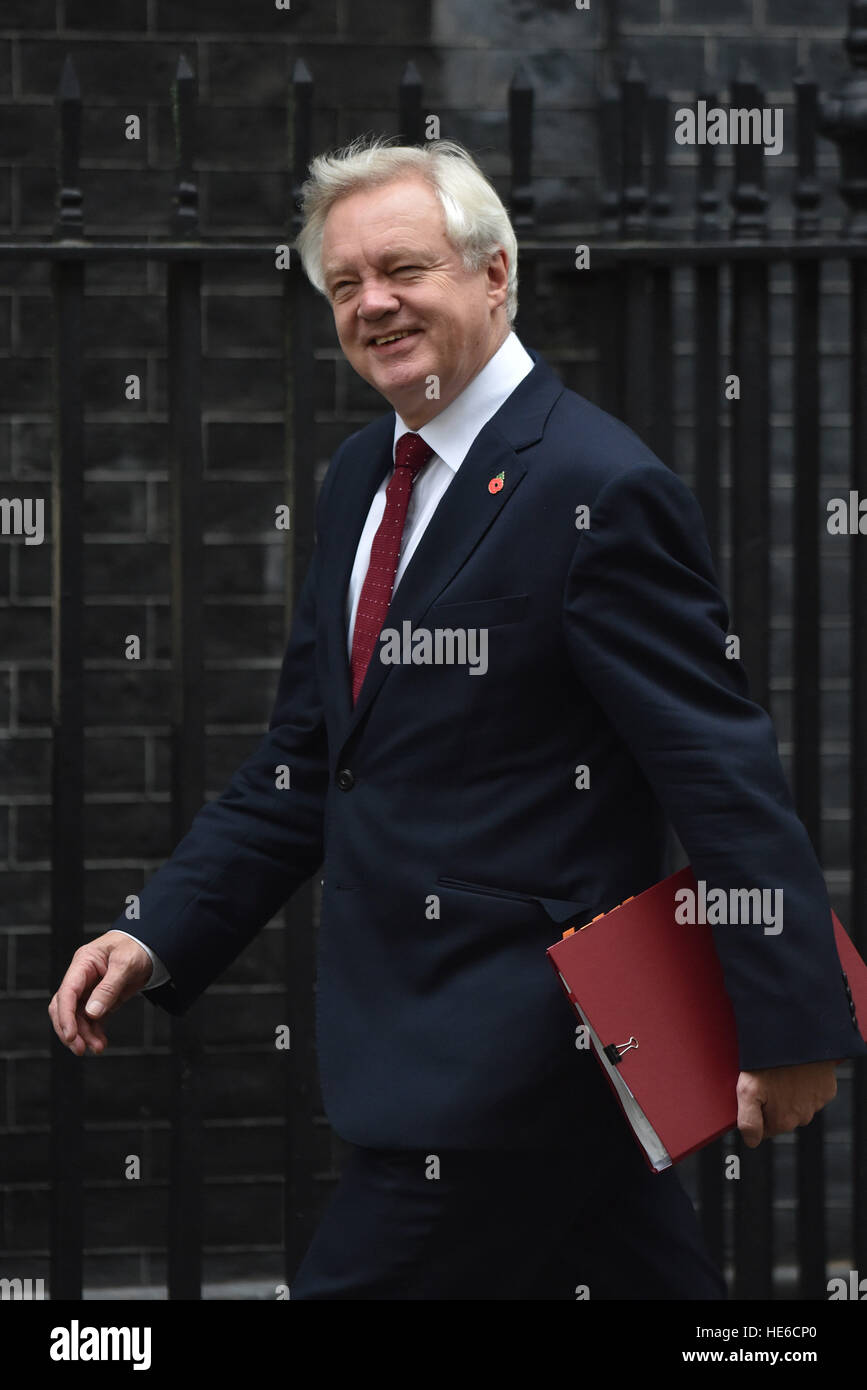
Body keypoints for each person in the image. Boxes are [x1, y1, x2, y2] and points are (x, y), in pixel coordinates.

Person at [48, 137, 863, 1300]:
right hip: (477, 1063)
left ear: (495, 274)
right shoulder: (355, 482)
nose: (372, 303)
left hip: (509, 1055)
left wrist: (791, 1022)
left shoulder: (595, 485)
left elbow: (718, 769)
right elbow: (312, 760)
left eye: (402, 269)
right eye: (343, 284)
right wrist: (159, 927)